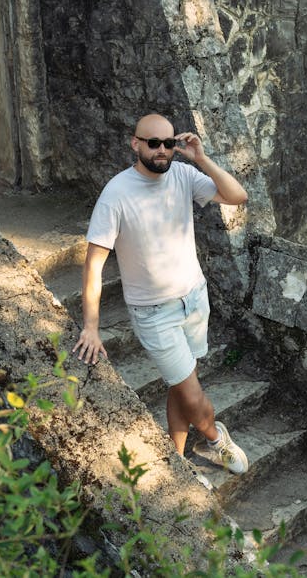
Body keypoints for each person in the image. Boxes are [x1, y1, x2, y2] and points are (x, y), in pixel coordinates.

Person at [73, 113, 250, 474]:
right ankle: (216, 439)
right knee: (190, 389)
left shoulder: (183, 176)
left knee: (179, 386)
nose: (162, 151)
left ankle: (176, 459)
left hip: (194, 298)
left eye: (169, 143)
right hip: (154, 313)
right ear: (135, 143)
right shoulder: (116, 193)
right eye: (153, 143)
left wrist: (200, 158)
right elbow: (93, 264)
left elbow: (237, 196)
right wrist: (91, 326)